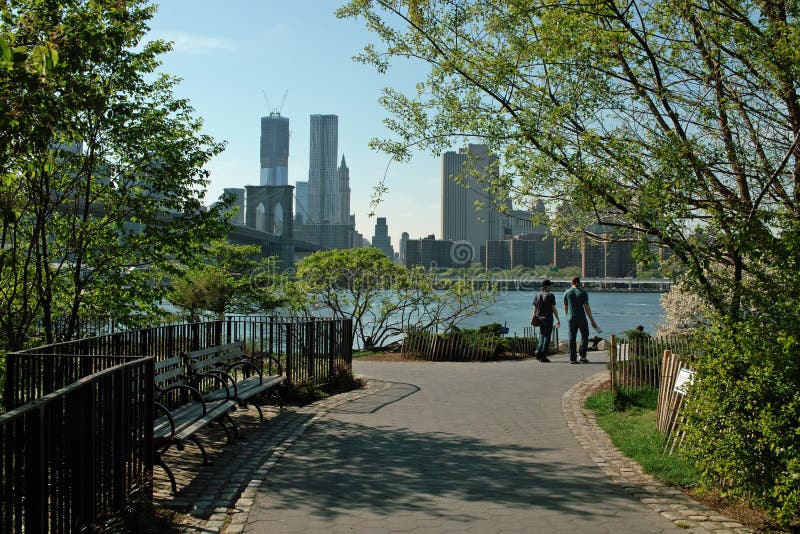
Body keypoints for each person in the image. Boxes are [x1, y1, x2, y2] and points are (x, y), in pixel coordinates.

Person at [563, 276, 599, 364]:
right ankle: (582, 356)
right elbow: (587, 307)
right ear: (579, 282)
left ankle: (572, 358)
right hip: (581, 317)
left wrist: (567, 316)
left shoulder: (567, 292)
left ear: (572, 282)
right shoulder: (583, 292)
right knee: (585, 335)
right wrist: (592, 320)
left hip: (571, 318)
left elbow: (565, 306)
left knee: (572, 337)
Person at [531, 279, 560, 362]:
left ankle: (538, 352)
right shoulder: (551, 295)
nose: (551, 287)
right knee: (547, 337)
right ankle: (543, 355)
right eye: (550, 285)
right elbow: (553, 309)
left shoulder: (537, 295)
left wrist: (533, 318)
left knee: (542, 335)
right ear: (547, 286)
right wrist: (558, 319)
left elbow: (535, 309)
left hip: (539, 318)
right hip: (548, 318)